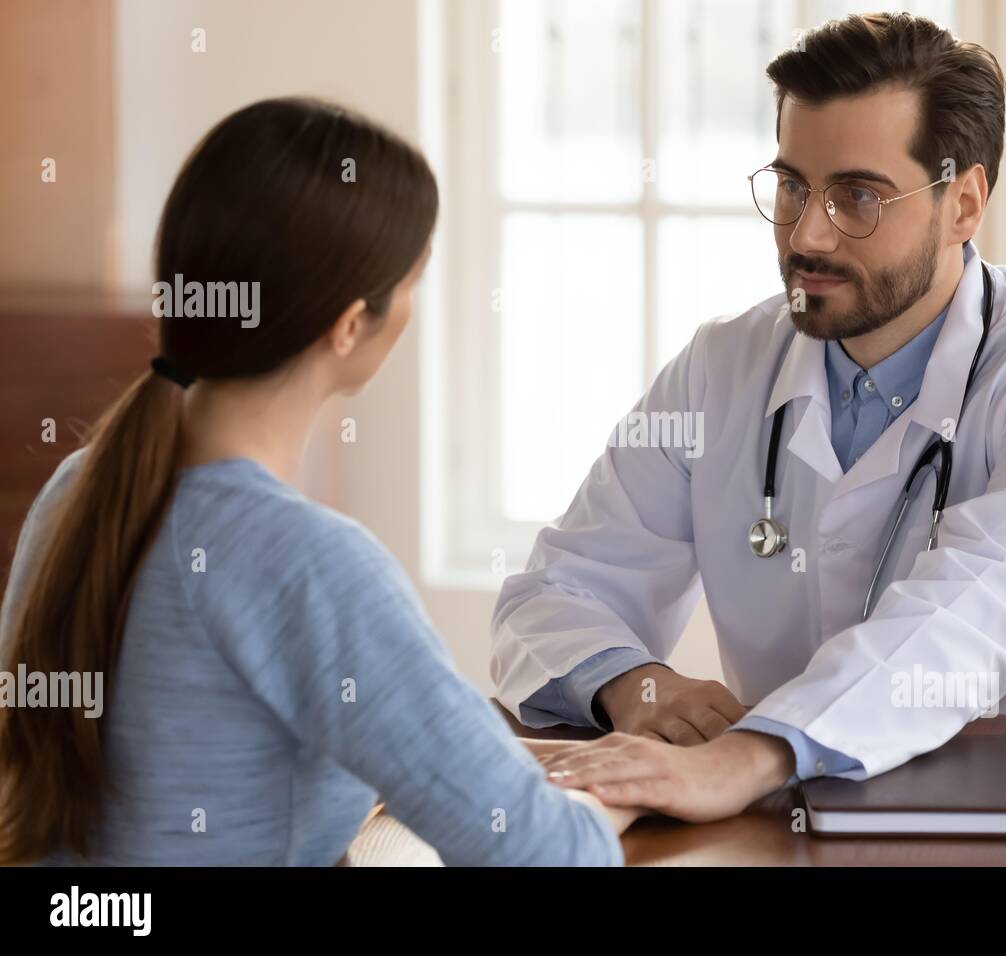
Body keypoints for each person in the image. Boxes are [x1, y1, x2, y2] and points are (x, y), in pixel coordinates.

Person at [491, 13, 1006, 822]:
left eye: (858, 196)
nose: (806, 234)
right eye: (791, 185)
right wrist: (635, 686)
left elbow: (975, 614)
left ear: (964, 204)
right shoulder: (721, 369)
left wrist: (753, 753)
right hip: (784, 831)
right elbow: (555, 591)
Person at [0, 97, 632, 866]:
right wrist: (612, 796)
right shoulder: (309, 562)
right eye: (413, 282)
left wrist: (479, 761)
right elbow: (549, 855)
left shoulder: (75, 490)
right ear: (348, 325)